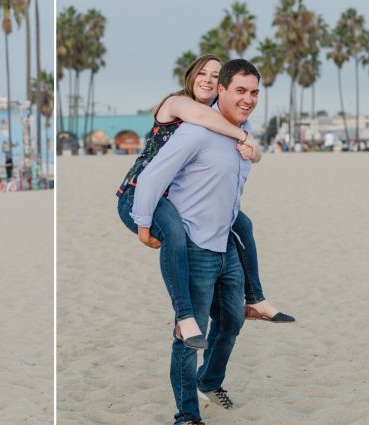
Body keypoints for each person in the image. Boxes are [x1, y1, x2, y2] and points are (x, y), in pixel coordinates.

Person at [118, 54, 293, 350]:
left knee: (242, 223)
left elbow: (244, 146)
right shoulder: (177, 103)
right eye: (203, 73)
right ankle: (184, 316)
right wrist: (243, 136)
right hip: (138, 192)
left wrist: (253, 149)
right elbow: (203, 119)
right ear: (191, 76)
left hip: (168, 194)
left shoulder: (219, 117)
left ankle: (255, 297)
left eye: (215, 75)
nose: (209, 80)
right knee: (174, 233)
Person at [131, 59, 266, 425]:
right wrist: (144, 225)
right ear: (221, 90)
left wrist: (253, 150)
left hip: (226, 245)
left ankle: (210, 380)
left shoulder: (243, 133)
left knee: (233, 321)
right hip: (195, 247)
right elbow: (151, 177)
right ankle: (186, 415)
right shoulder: (195, 131)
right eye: (240, 91)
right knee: (190, 334)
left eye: (254, 92)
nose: (248, 99)